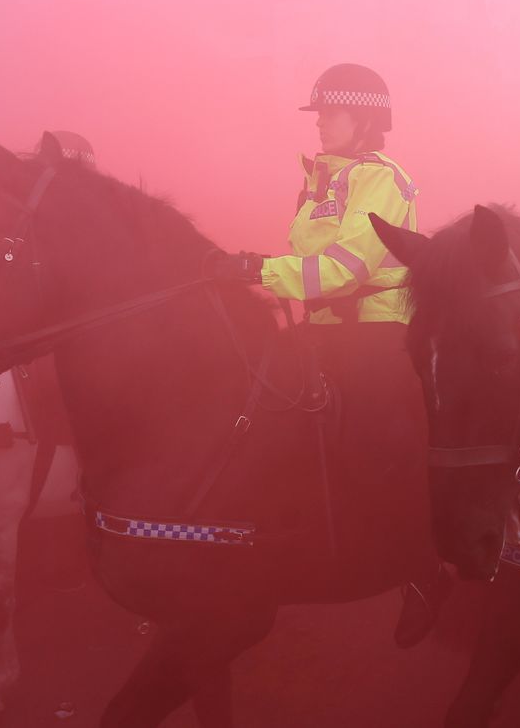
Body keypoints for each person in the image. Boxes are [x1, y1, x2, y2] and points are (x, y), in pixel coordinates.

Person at [211, 63, 445, 647]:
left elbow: (345, 270)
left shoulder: (383, 179)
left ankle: (423, 572)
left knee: (381, 449)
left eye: (331, 113)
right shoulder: (319, 181)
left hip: (376, 337)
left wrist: (257, 269)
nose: (320, 123)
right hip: (322, 334)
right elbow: (308, 265)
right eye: (319, 113)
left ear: (364, 119)